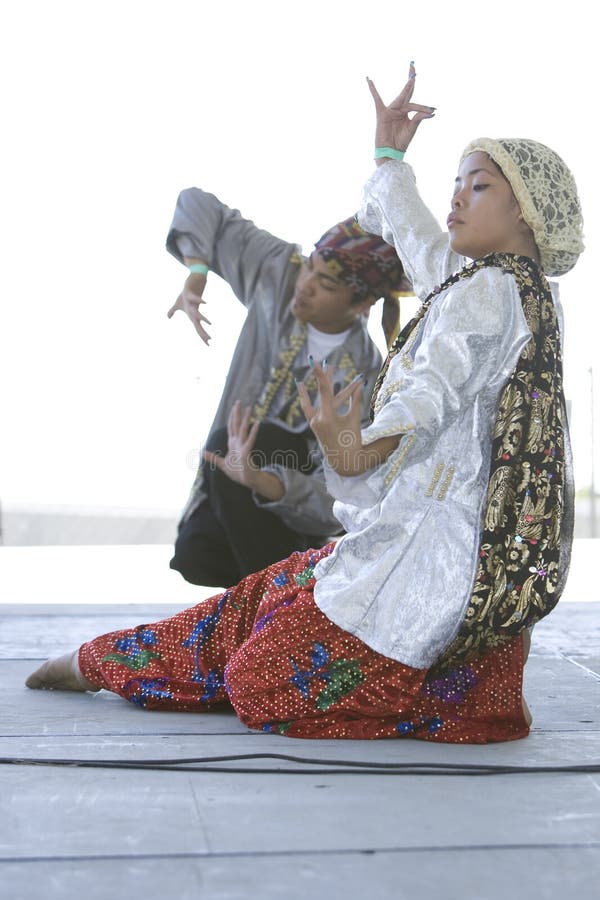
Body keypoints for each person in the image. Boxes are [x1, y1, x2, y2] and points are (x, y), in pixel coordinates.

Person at [26, 66, 584, 744]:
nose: (457, 197)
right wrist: (389, 158)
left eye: (480, 185)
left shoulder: (485, 295)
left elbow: (431, 389)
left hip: (429, 567)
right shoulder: (509, 290)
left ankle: (445, 692)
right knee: (261, 602)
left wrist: (353, 448)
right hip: (430, 556)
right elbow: (418, 242)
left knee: (259, 679)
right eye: (457, 183)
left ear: (526, 210)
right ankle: (95, 662)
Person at [165, 191, 411, 588]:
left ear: (361, 303)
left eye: (325, 283)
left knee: (248, 443)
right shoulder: (280, 271)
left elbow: (344, 497)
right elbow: (197, 203)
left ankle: (278, 603)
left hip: (295, 516)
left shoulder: (365, 378)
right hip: (229, 481)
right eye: (310, 266)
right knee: (197, 556)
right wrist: (197, 270)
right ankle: (273, 598)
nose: (305, 285)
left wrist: (263, 481)